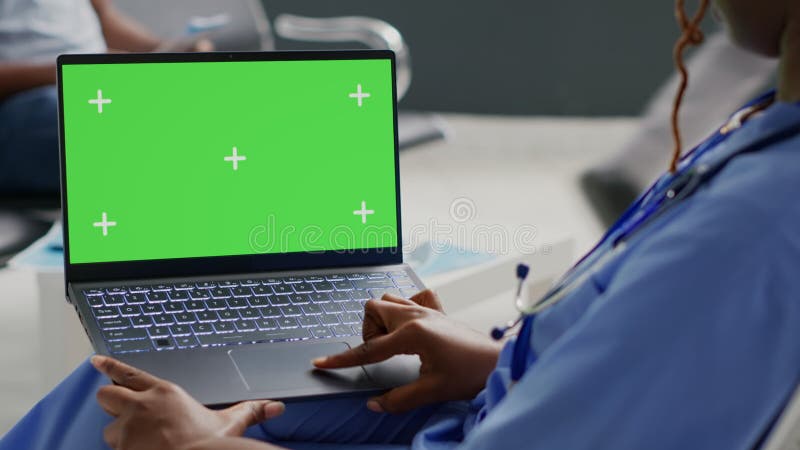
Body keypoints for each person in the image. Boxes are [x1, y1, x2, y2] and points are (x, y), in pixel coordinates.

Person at [3, 0, 800, 448]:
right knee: (134, 377)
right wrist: (495, 360)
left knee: (129, 417)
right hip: (487, 404)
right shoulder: (763, 132)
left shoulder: (748, 231)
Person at [0, 0, 211, 196]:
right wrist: (75, 71)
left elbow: (106, 21)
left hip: (99, 79)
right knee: (111, 130)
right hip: (25, 97)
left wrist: (168, 52)